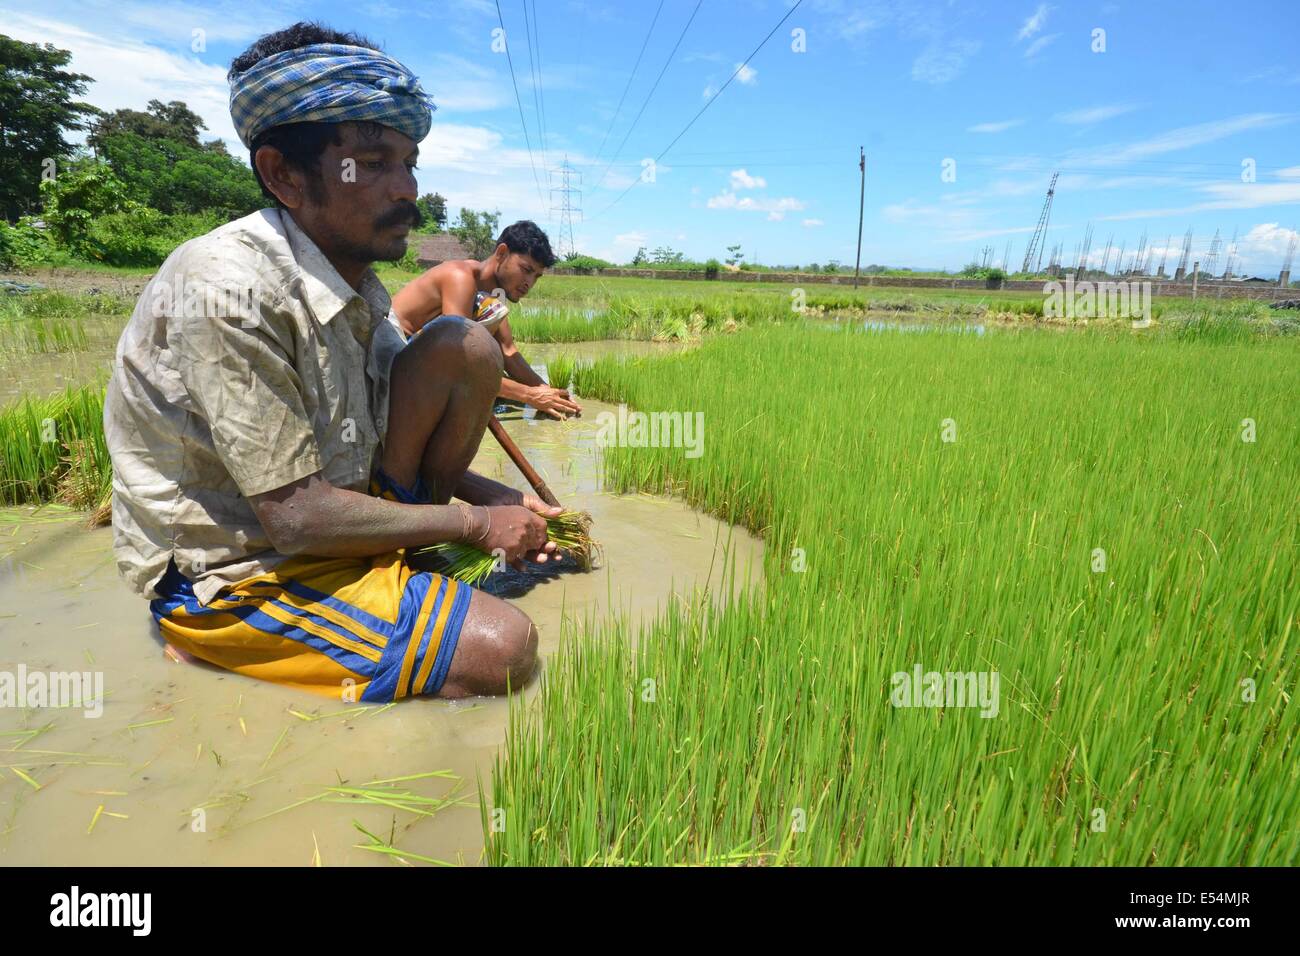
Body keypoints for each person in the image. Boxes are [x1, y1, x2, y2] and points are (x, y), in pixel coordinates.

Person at [103, 22, 560, 703]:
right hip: (239, 565)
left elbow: (384, 421)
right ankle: (205, 635)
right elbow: (294, 516)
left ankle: (404, 562)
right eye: (374, 164)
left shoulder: (356, 289)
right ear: (284, 174)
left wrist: (486, 494)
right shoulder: (229, 286)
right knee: (503, 651)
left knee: (465, 346)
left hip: (325, 524)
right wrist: (474, 527)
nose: (408, 188)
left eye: (410, 164)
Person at [391, 222, 583, 420]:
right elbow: (458, 364)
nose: (529, 283)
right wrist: (528, 395)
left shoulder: (493, 297)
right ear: (501, 253)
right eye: (526, 269)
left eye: (537, 276)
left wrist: (551, 394)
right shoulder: (460, 277)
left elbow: (509, 352)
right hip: (391, 353)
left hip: (418, 359)